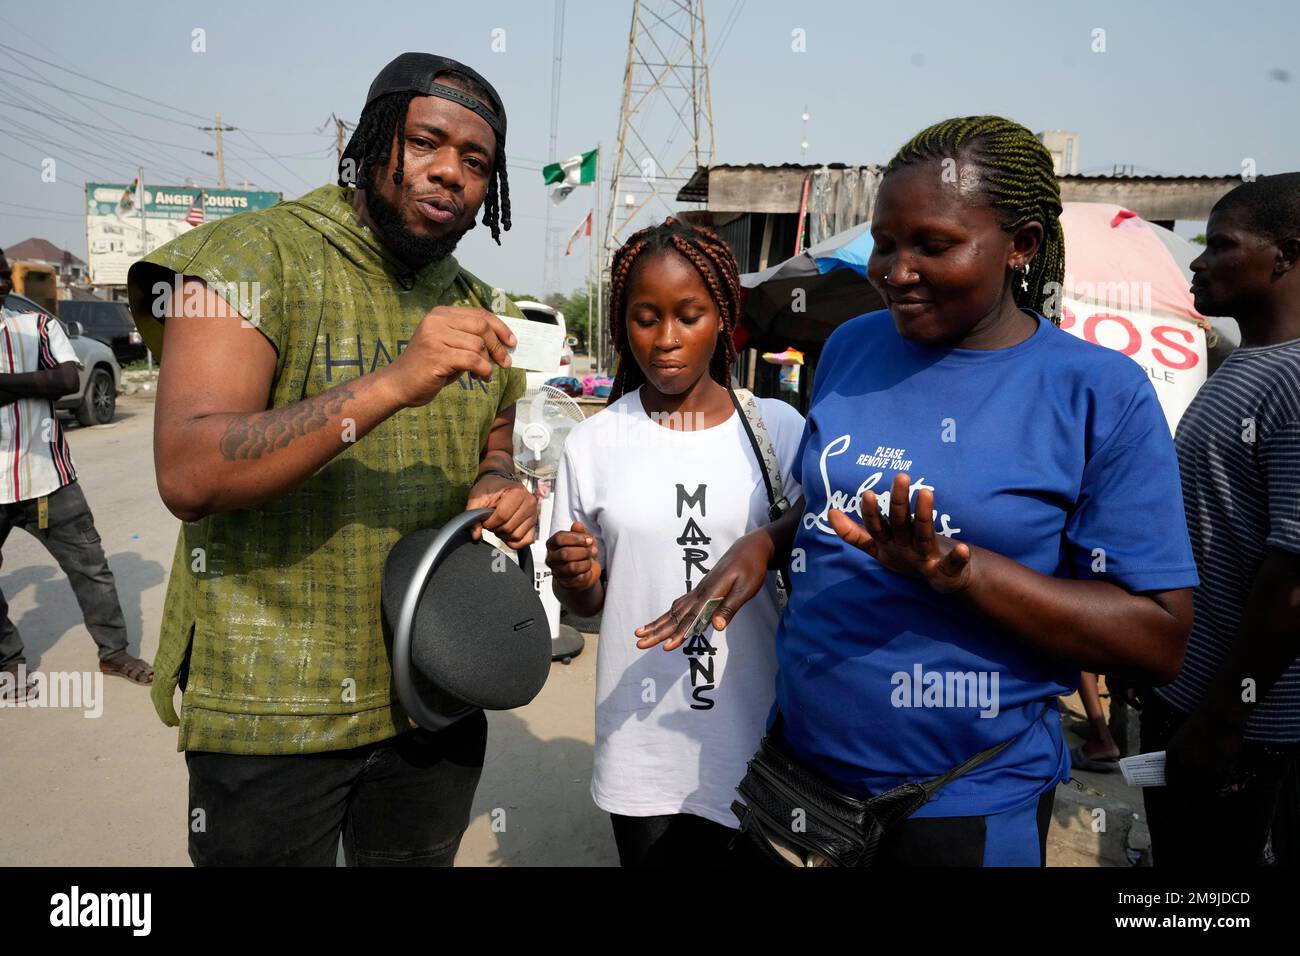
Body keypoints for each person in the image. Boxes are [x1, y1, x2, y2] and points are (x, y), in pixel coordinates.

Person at [637, 116, 1199, 867]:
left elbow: (1158, 639)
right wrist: (765, 542)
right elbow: (839, 500)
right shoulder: (853, 348)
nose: (896, 271)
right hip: (800, 779)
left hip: (965, 800)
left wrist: (965, 574)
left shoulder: (1099, 394)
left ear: (1021, 246)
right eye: (885, 242)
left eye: (933, 246)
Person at [124, 53, 536, 866]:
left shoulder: (483, 305)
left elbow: (494, 437)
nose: (450, 172)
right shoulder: (248, 259)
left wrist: (499, 481)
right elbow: (189, 471)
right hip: (273, 707)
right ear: (372, 139)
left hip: (435, 691)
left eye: (477, 161)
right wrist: (390, 384)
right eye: (427, 142)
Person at [545, 218, 804, 866]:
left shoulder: (778, 432)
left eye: (688, 316)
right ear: (620, 324)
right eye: (644, 318)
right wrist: (578, 577)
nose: (665, 340)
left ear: (722, 316)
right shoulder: (595, 444)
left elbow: (827, 549)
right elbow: (586, 607)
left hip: (763, 748)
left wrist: (772, 541)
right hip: (644, 756)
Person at [1142, 172, 1300, 867]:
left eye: (1221, 245)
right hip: (1196, 703)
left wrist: (1223, 719)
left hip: (1247, 729)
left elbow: (1293, 582)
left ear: (1286, 256)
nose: (1198, 262)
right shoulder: (1246, 365)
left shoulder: (1294, 381)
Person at [0, 247, 152, 699]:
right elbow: (47, 381)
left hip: (49, 478)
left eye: (5, 275)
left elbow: (66, 380)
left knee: (91, 568)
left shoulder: (36, 324)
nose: (3, 284)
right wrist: (30, 383)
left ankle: (115, 653)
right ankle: (9, 664)